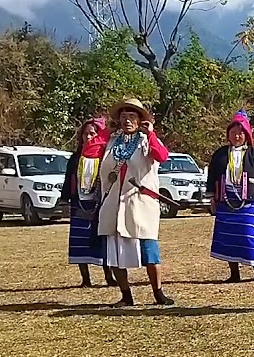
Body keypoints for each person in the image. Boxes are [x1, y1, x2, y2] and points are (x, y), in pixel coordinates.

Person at [86, 98, 174, 306]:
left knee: (149, 251)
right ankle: (126, 295)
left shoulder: (146, 140)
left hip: (140, 204)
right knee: (115, 254)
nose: (127, 121)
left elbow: (161, 155)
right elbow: (89, 151)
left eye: (132, 117)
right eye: (123, 117)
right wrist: (106, 131)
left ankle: (158, 292)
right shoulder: (111, 142)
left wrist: (150, 133)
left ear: (140, 120)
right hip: (114, 204)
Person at [207, 110, 254, 283]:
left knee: (249, 237)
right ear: (228, 134)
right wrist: (212, 199)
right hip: (225, 202)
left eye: (241, 132)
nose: (237, 136)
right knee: (228, 238)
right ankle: (234, 273)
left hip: (247, 202)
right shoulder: (220, 154)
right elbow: (212, 176)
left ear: (247, 135)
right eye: (233, 132)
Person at [63, 117, 116, 288]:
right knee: (79, 241)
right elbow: (68, 179)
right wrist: (66, 199)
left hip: (99, 202)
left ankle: (109, 277)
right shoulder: (76, 157)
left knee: (102, 240)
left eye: (92, 133)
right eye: (85, 134)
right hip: (79, 202)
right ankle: (85, 279)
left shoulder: (105, 155)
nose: (88, 137)